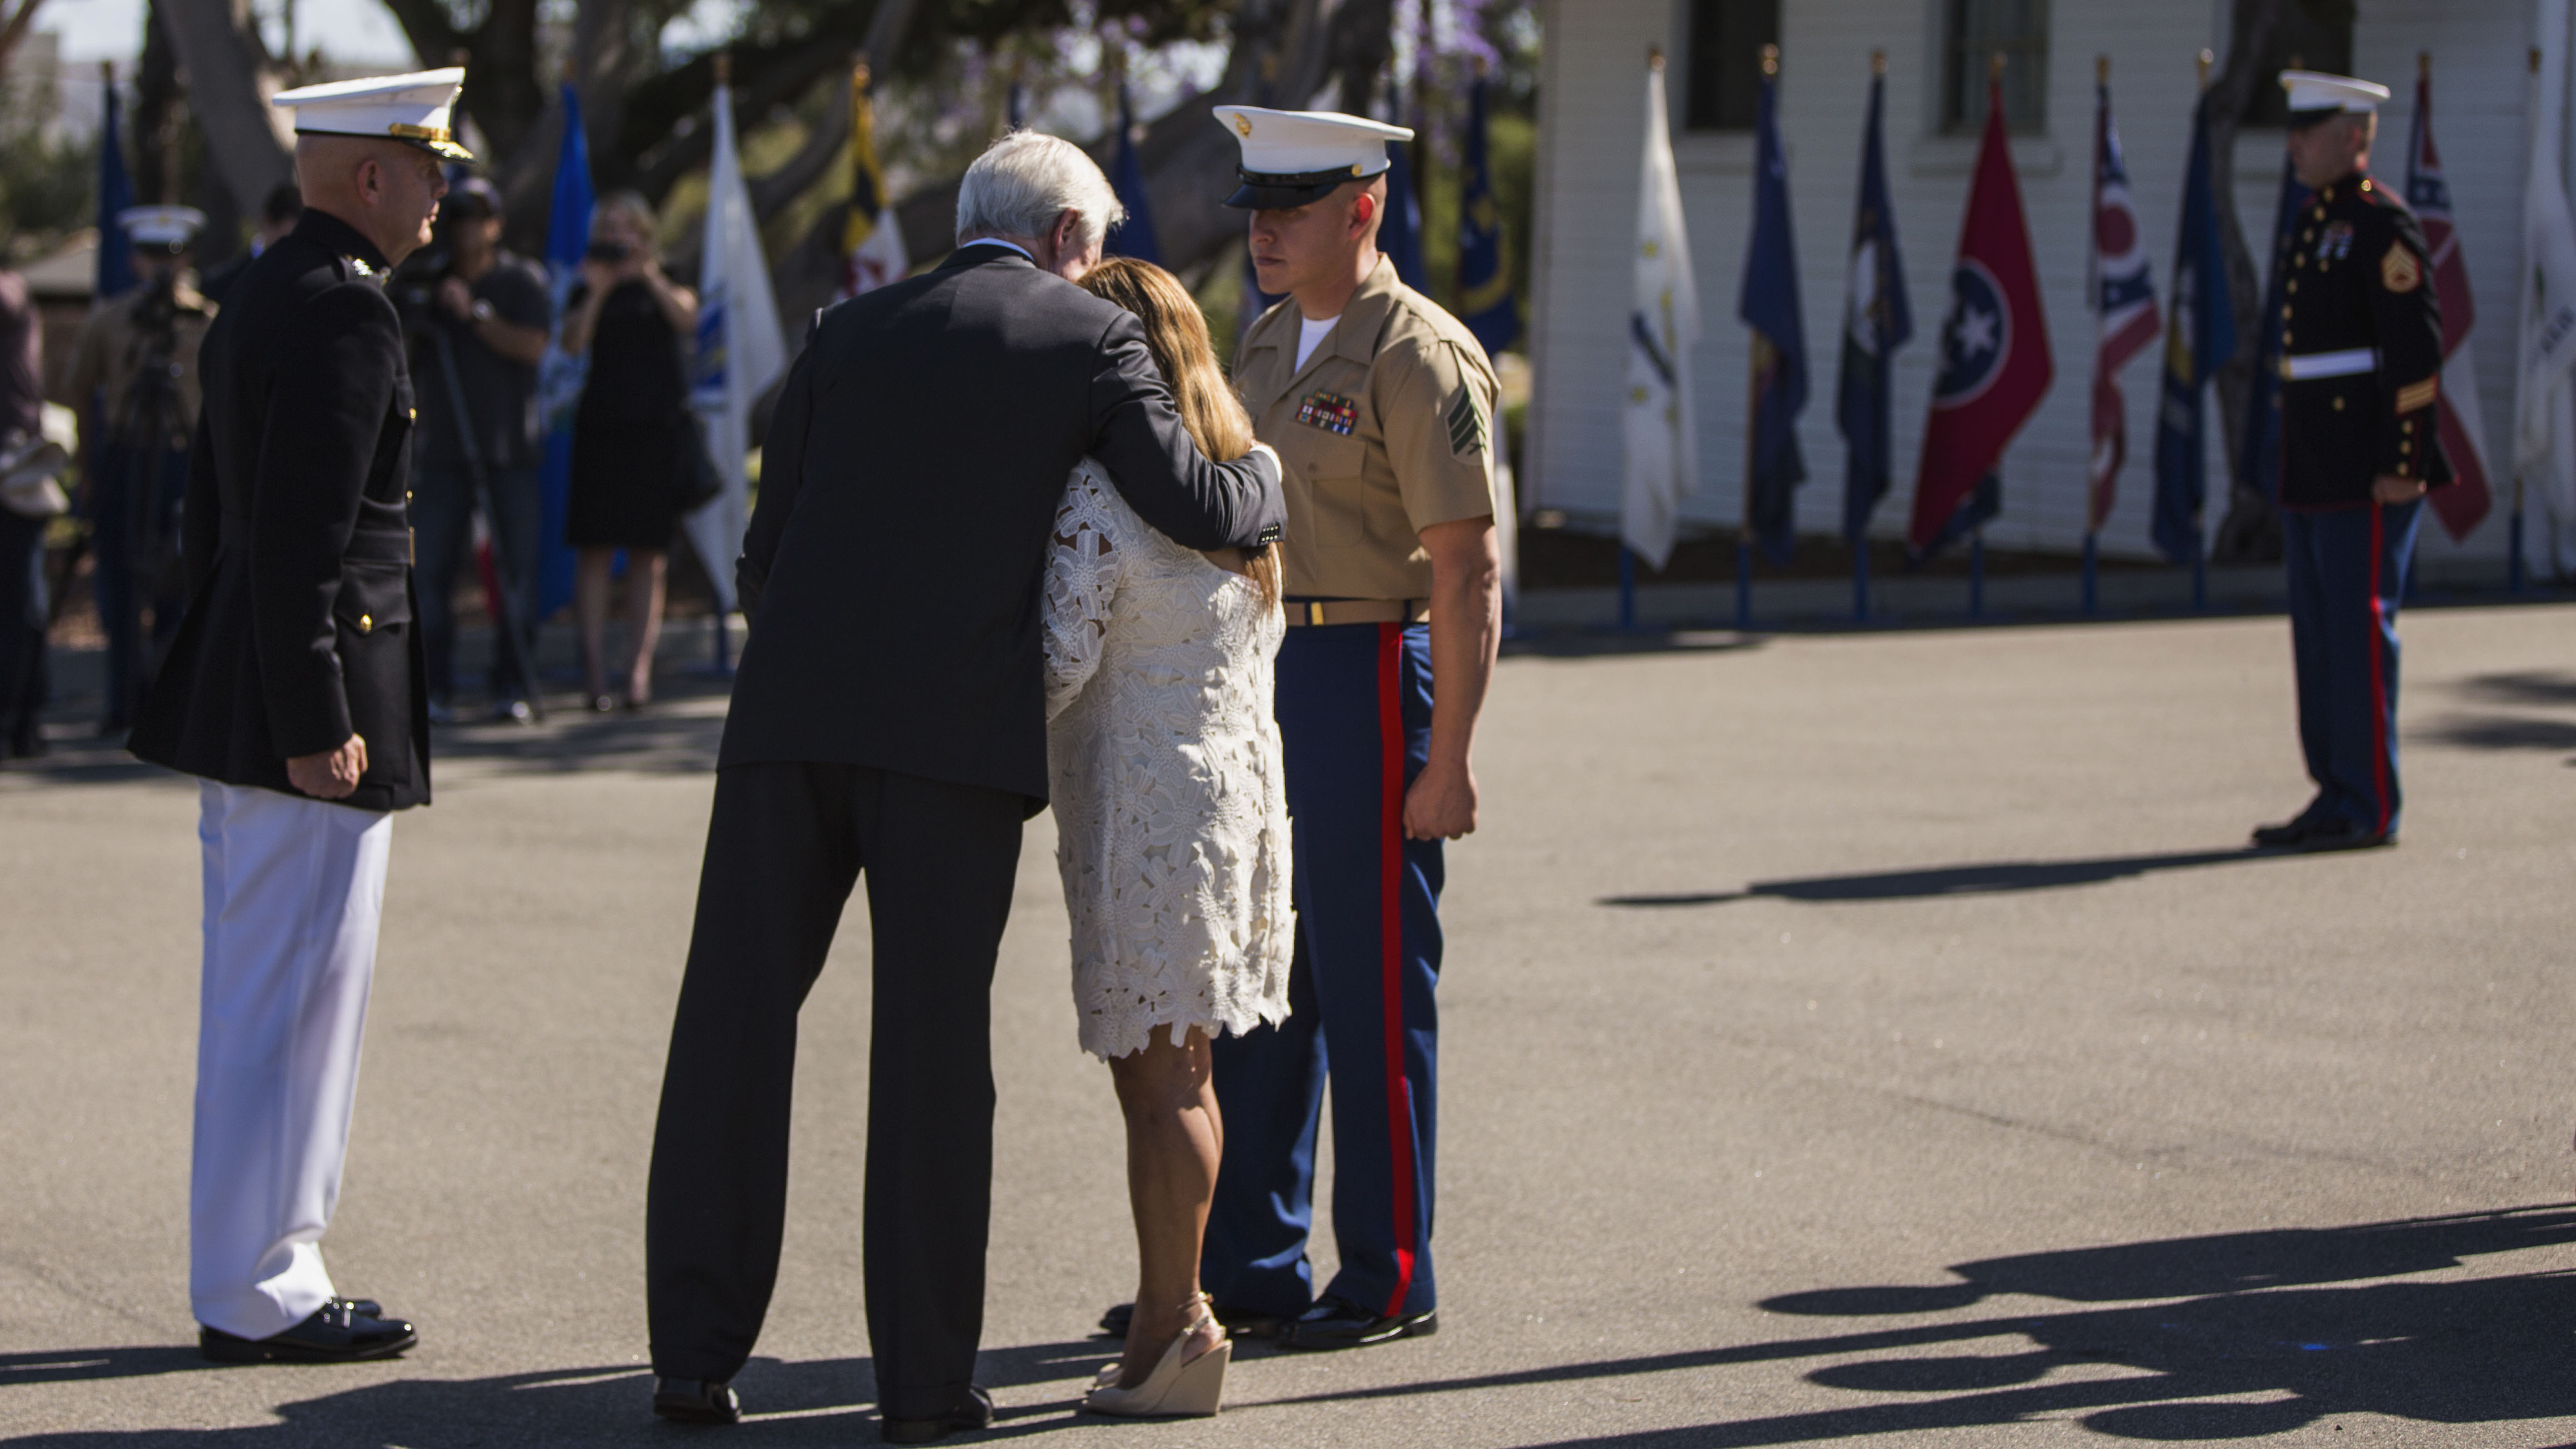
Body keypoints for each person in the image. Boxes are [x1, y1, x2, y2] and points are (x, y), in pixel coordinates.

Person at [642, 130, 1283, 1442]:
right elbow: (1191, 497)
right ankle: (924, 1386)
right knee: (931, 1058)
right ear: (1063, 237)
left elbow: (766, 555)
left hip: (789, 725)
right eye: (1092, 245)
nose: (1093, 268)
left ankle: (694, 1358)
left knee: (734, 1024)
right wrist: (1270, 475)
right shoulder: (1089, 340)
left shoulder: (845, 328)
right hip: (950, 750)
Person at [126, 67, 468, 1365]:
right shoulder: (347, 316)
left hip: (262, 698)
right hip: (312, 715)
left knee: (269, 999)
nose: (442, 193)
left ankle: (261, 1265)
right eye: (428, 167)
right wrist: (315, 715)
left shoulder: (265, 287)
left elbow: (225, 534)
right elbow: (296, 546)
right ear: (369, 175)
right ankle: (263, 1279)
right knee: (294, 1005)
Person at [1147, 103, 1502, 1353]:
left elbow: (1463, 572)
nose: (1263, 232)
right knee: (1261, 985)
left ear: (1364, 208)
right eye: (1254, 210)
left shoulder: (1415, 355)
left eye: (1290, 209)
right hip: (1265, 668)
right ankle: (1251, 1262)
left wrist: (1445, 759)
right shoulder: (1255, 343)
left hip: (1365, 668)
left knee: (1367, 986)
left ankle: (1391, 1269)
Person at [1044, 256, 1293, 1418]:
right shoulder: (1244, 480)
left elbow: (1053, 661)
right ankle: (1177, 1307)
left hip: (1143, 812)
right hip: (1228, 808)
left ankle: (1172, 1325)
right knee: (1182, 1067)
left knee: (1153, 1078)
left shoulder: (1103, 499)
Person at [2250, 72, 2451, 853]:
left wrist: (2404, 459)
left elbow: (2415, 349)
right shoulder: (2315, 221)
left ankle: (2369, 802)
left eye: (2309, 130)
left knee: (2361, 632)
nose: (2293, 145)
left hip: (2369, 467)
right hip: (2315, 465)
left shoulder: (2380, 224)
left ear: (2354, 136)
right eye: (2293, 131)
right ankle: (2333, 789)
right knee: (2319, 637)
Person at [61, 204, 214, 733]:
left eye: (171, 255)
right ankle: (122, 700)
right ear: (134, 259)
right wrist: (88, 466)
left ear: (188, 258)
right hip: (127, 456)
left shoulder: (206, 320)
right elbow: (78, 389)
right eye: (151, 255)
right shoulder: (111, 318)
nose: (161, 267)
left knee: (180, 581)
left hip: (183, 458)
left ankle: (168, 699)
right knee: (119, 584)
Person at [408, 176, 550, 724]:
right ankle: (435, 685)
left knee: (516, 572)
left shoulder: (521, 281)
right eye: (459, 218)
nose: (469, 230)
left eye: (479, 218)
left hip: (508, 451)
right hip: (442, 453)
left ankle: (511, 682)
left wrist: (476, 313)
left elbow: (534, 346)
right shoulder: (429, 280)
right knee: (432, 572)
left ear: (497, 225)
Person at [561, 190, 695, 711]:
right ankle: (594, 675)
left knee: (648, 556)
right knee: (594, 552)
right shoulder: (588, 279)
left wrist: (649, 276)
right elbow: (571, 343)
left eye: (626, 227)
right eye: (608, 227)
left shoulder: (666, 274)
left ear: (643, 233)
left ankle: (637, 672)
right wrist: (597, 290)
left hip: (654, 430)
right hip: (601, 428)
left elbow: (687, 318)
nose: (617, 236)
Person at [0, 266, 48, 758]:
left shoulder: (10, 290)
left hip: (14, 472)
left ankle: (23, 719)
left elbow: (6, 297)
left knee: (22, 605)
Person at [198, 182, 304, 307]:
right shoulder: (223, 283)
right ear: (265, 221)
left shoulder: (305, 282)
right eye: (284, 238)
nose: (289, 249)